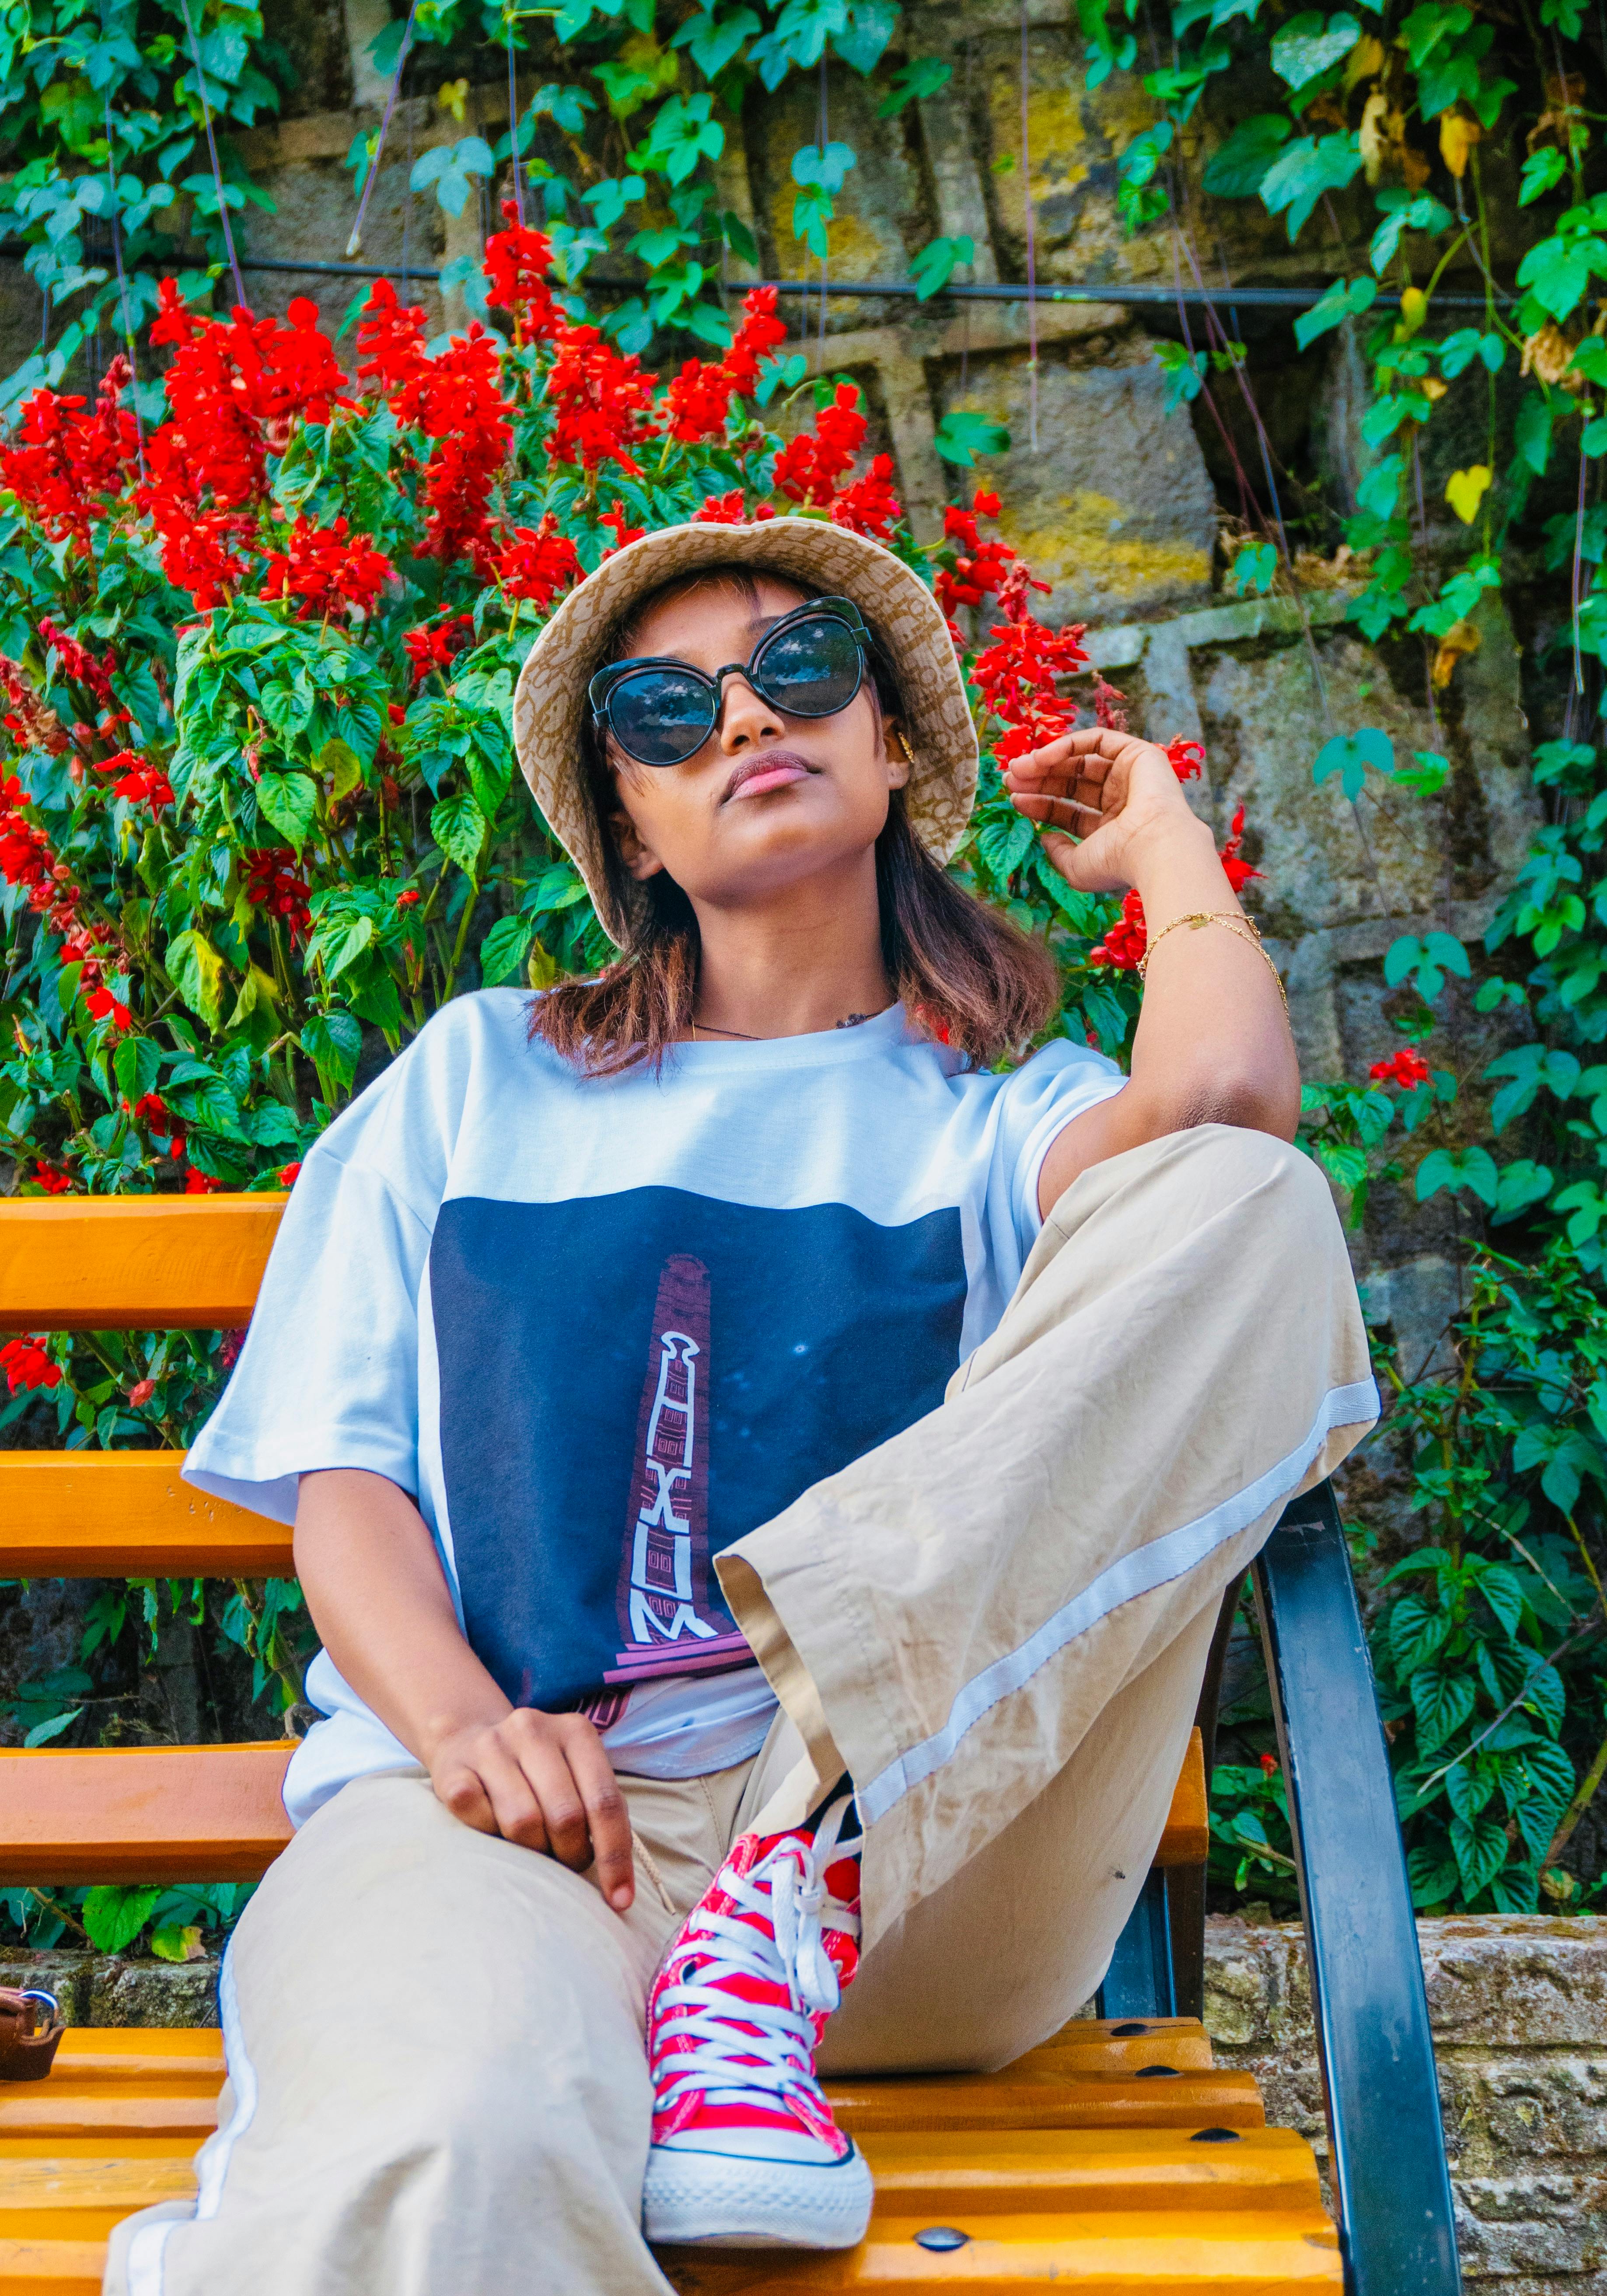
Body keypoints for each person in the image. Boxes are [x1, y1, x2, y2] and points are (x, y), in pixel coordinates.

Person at [105, 517, 1375, 2296]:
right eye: (661, 705)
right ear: (627, 815)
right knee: (444, 2143)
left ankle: (782, 1881)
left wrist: (1160, 836)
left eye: (795, 670)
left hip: (903, 1869)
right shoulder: (476, 1082)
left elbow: (1230, 1114)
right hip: (524, 1833)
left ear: (890, 740)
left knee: (1249, 1204)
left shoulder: (996, 1120)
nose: (741, 723)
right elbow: (352, 1481)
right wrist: (466, 1726)